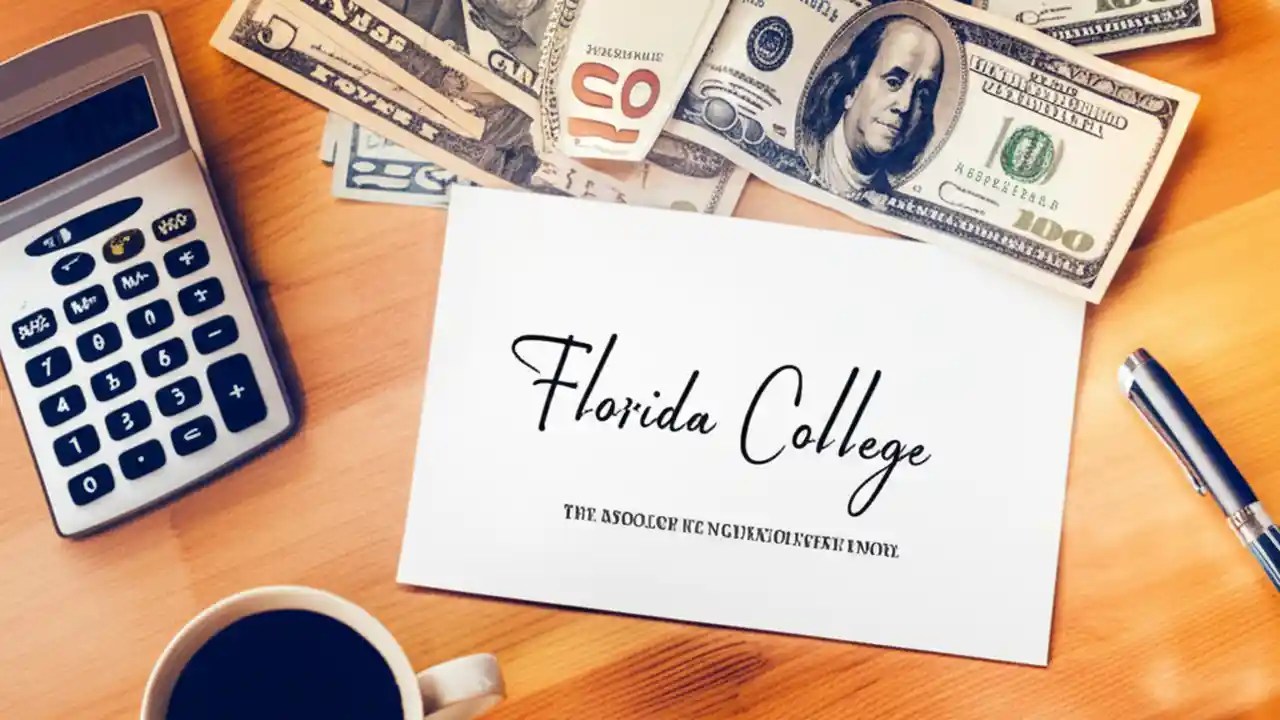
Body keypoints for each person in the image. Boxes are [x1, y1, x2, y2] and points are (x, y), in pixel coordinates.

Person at [801, 15, 943, 196]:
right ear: (852, 89)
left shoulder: (893, 197)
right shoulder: (806, 150)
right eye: (893, 82)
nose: (905, 105)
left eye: (923, 95)